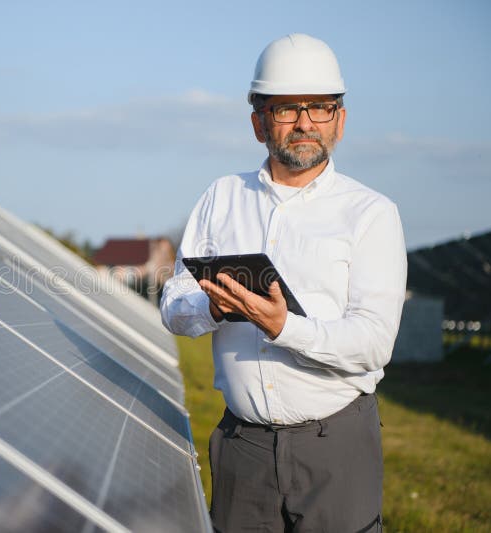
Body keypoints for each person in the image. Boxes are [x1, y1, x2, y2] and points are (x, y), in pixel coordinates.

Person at [160, 33, 407, 532]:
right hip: (242, 449)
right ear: (258, 123)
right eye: (285, 109)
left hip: (334, 445)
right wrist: (214, 307)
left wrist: (282, 326)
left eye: (318, 107)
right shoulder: (221, 197)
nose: (303, 124)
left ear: (340, 120)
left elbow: (373, 343)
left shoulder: (371, 214)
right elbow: (173, 304)